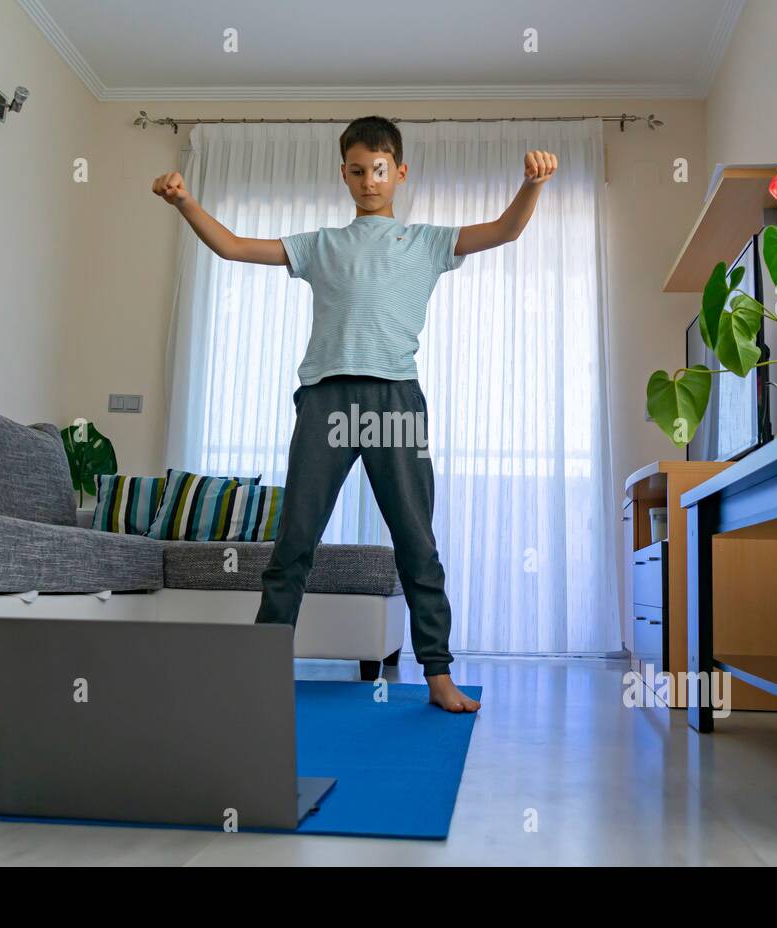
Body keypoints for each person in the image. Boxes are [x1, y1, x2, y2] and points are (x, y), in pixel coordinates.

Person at [153, 116, 557, 712]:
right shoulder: (320, 245)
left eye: (381, 168)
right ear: (344, 175)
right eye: (359, 170)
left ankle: (439, 676)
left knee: (416, 540)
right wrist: (185, 201)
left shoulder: (425, 242)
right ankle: (263, 668)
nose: (370, 179)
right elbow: (234, 247)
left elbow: (503, 231)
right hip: (326, 401)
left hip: (394, 399)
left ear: (399, 172)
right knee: (295, 539)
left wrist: (532, 186)